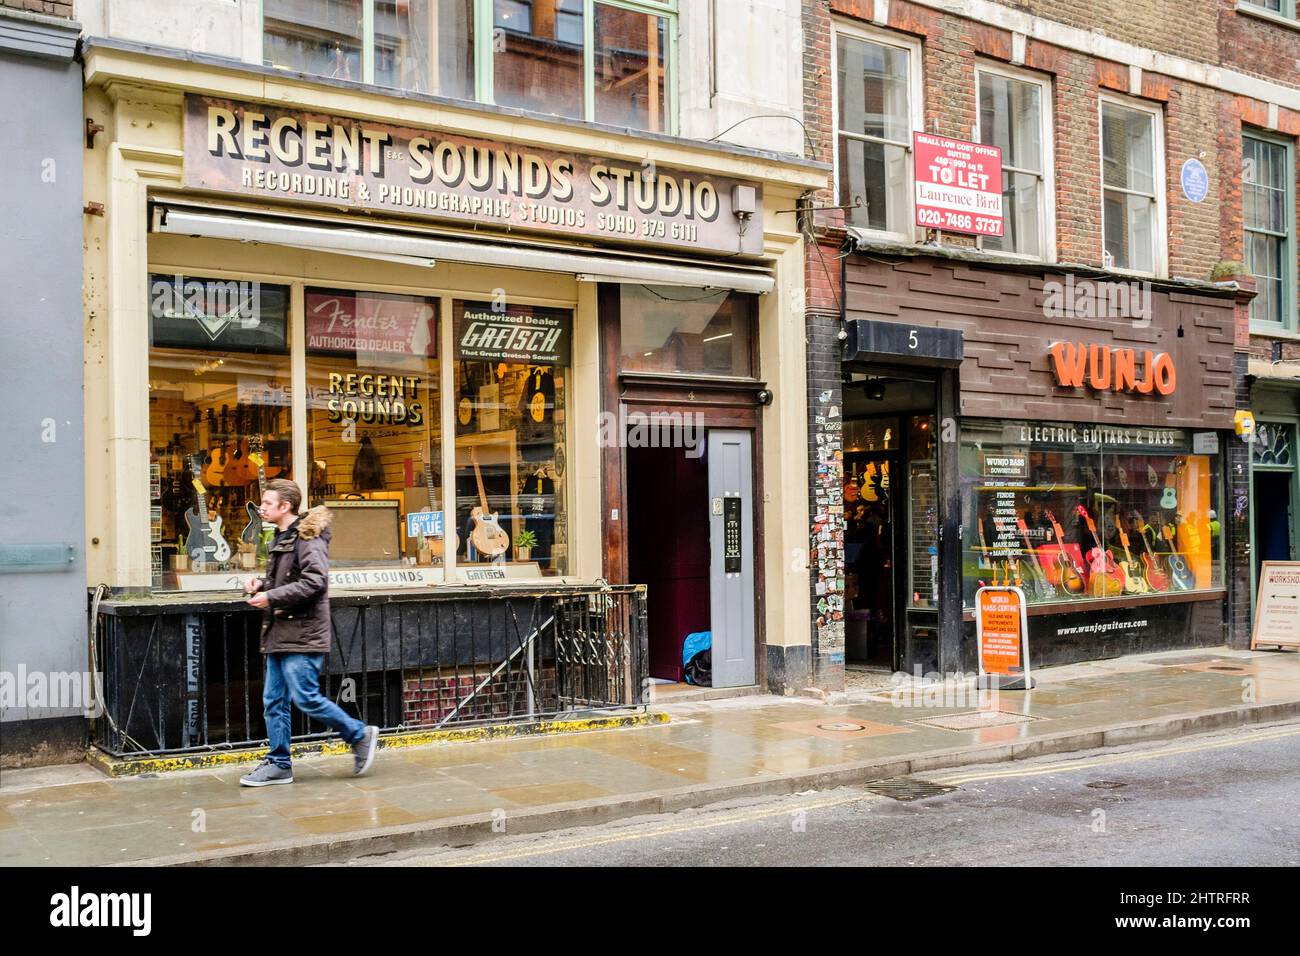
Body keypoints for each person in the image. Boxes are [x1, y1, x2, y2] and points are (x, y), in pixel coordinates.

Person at [239, 478, 378, 786]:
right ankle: (279, 763)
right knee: (273, 701)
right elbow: (291, 580)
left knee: (305, 697)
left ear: (284, 507)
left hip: (303, 633)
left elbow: (316, 583)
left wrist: (271, 596)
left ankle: (359, 734)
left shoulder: (307, 538)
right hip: (280, 631)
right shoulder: (282, 537)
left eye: (267, 503)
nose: (261, 508)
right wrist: (262, 586)